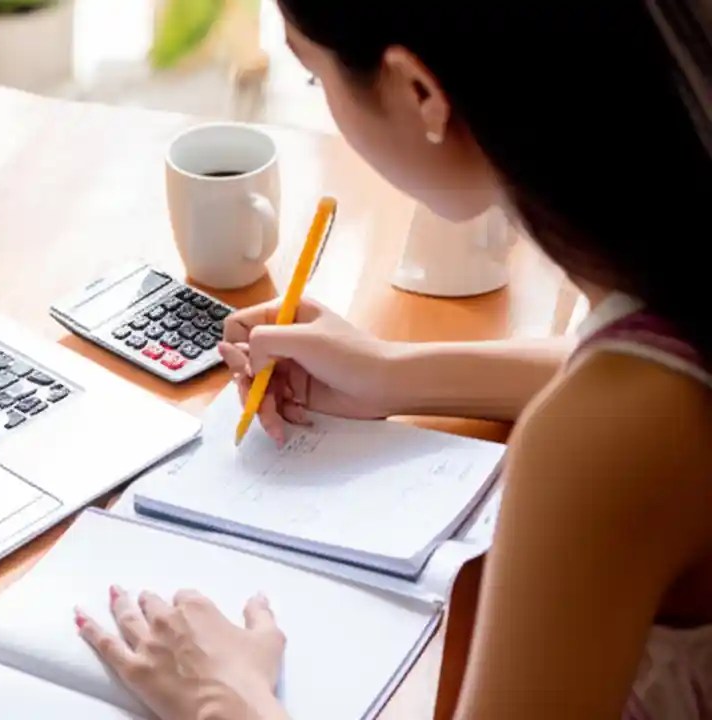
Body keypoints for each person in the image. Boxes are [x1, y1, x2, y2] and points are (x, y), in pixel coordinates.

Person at [75, 2, 712, 718]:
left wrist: (225, 698)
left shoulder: (597, 447)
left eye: (314, 77)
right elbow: (647, 376)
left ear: (419, 93)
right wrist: (390, 372)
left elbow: (624, 419)